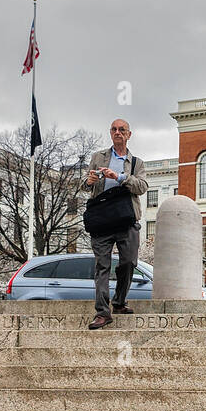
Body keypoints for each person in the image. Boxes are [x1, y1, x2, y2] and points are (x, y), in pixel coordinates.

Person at [84, 119, 148, 329]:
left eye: (122, 130)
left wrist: (120, 177)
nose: (118, 132)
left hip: (126, 218)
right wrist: (89, 181)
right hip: (102, 219)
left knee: (129, 262)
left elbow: (142, 187)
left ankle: (119, 302)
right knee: (102, 265)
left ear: (129, 135)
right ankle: (103, 313)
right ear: (110, 133)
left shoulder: (136, 162)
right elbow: (84, 184)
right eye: (114, 129)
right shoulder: (98, 157)